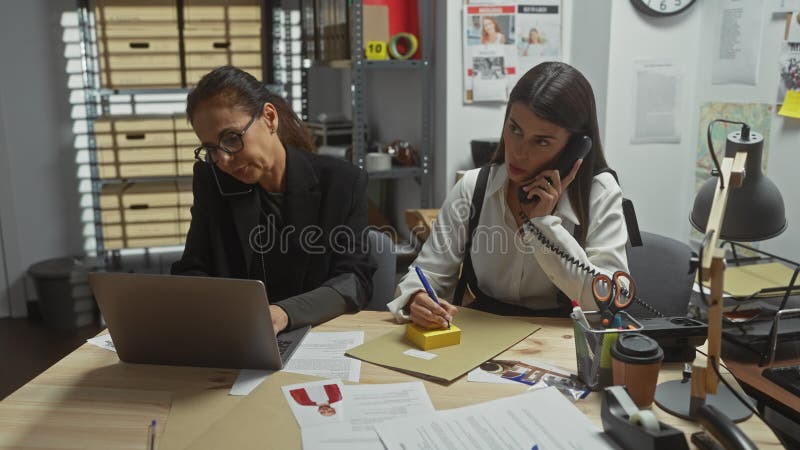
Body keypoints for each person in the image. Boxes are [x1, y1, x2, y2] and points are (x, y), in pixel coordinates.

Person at [388, 62, 629, 328]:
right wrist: (417, 298)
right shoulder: (473, 188)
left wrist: (545, 226)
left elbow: (607, 300)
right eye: (515, 129)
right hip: (481, 336)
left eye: (541, 141)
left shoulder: (598, 193)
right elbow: (428, 273)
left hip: (560, 342)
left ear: (576, 146)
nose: (518, 151)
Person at [171, 66, 375, 334]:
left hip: (315, 334)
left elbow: (354, 280)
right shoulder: (213, 182)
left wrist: (283, 314)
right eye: (211, 149)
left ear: (269, 118)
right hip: (239, 336)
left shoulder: (342, 182)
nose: (224, 160)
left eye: (231, 139)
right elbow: (192, 269)